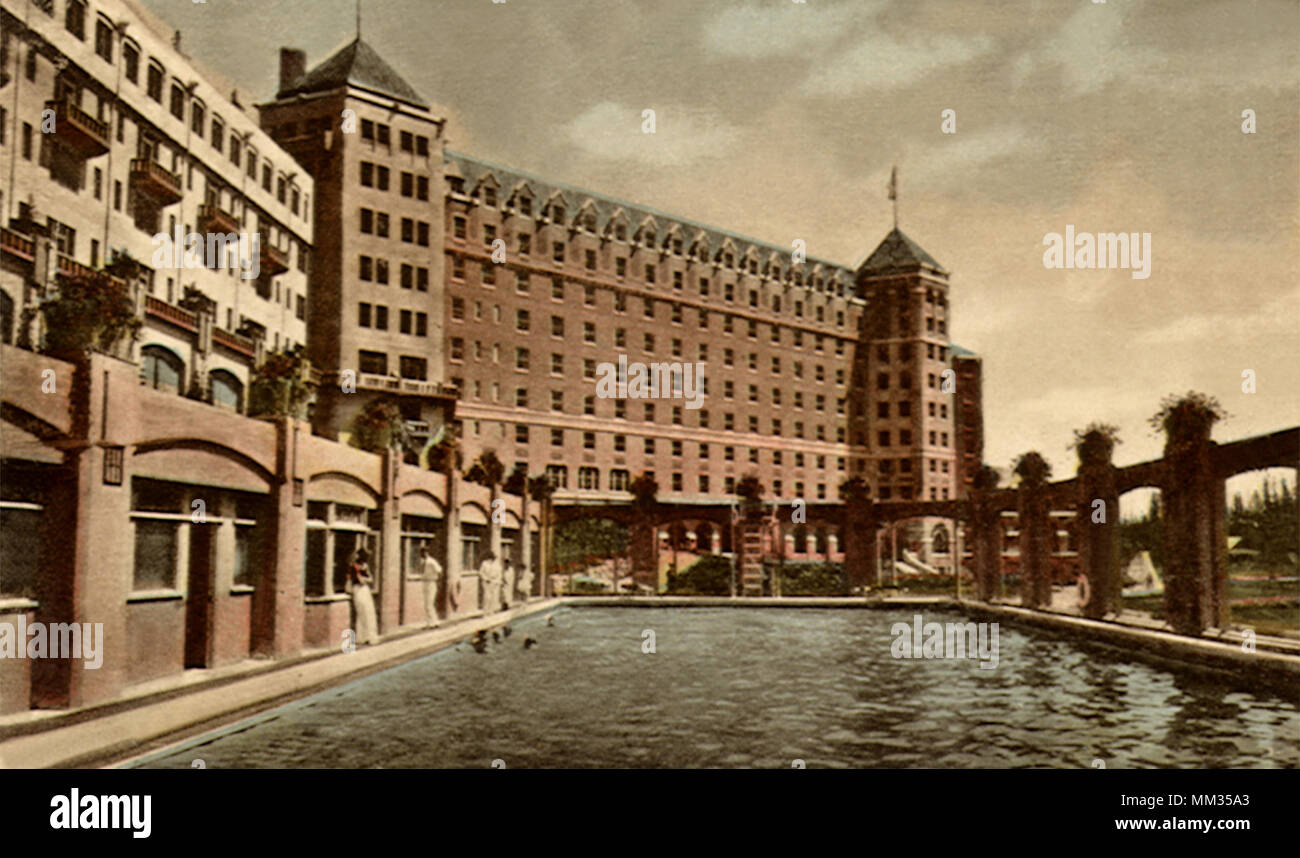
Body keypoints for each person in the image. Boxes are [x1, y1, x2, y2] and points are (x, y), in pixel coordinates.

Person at [348, 548, 379, 646]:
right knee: (362, 612)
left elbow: (370, 579)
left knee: (369, 612)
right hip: (358, 590)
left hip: (365, 590)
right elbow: (360, 580)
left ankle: (369, 636)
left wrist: (365, 575)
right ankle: (362, 637)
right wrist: (365, 577)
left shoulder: (365, 566)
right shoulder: (354, 566)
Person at [419, 544, 443, 628]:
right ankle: (431, 622)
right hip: (425, 582)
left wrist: (438, 581)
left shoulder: (431, 561)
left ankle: (434, 622)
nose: (422, 554)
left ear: (427, 553)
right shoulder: (423, 562)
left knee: (429, 603)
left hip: (431, 583)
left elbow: (439, 570)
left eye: (423, 552)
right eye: (421, 553)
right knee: (426, 604)